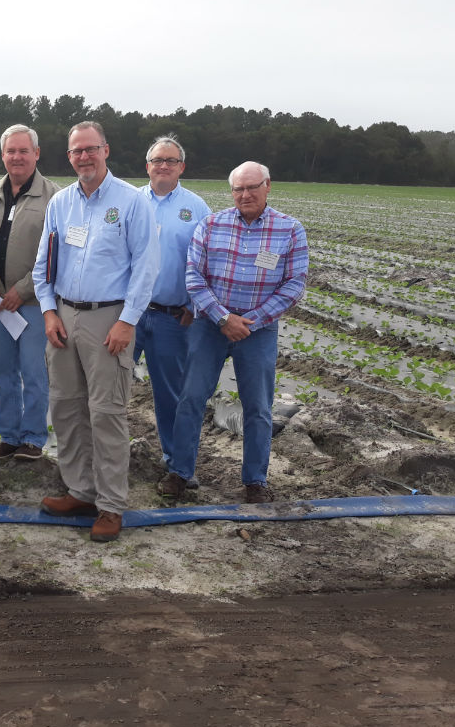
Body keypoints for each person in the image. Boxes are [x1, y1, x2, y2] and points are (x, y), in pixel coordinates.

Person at [32, 121, 158, 542]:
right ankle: (80, 491)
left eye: (90, 149)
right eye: (75, 152)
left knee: (106, 414)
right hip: (64, 316)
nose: (83, 157)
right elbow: (43, 265)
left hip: (110, 319)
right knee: (66, 407)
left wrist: (127, 320)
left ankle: (110, 505)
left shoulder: (131, 202)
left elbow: (146, 266)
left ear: (105, 150)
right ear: (68, 157)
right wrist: (49, 312)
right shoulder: (61, 203)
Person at [160, 161, 309, 504]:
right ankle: (180, 472)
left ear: (267, 186)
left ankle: (255, 482)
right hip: (209, 327)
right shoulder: (212, 224)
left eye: (252, 187)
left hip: (258, 332)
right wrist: (223, 318)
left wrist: (250, 321)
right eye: (238, 189)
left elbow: (294, 285)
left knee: (258, 407)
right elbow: (194, 276)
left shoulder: (289, 230)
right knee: (192, 398)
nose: (245, 195)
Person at [0, 124, 58, 462]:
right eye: (11, 151)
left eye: (24, 151)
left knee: (34, 373)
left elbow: (55, 255)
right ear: (3, 155)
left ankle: (33, 439)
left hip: (33, 305)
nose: (17, 157)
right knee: (3, 371)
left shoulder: (54, 196)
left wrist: (23, 290)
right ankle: (9, 435)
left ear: (36, 154)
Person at [132, 135, 211, 473]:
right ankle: (102, 456)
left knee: (170, 396)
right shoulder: (131, 201)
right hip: (128, 314)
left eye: (171, 160)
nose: (163, 166)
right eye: (157, 160)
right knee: (109, 387)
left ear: (182, 167)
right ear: (147, 165)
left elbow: (210, 261)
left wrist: (195, 305)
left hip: (171, 317)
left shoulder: (198, 209)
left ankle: (177, 465)